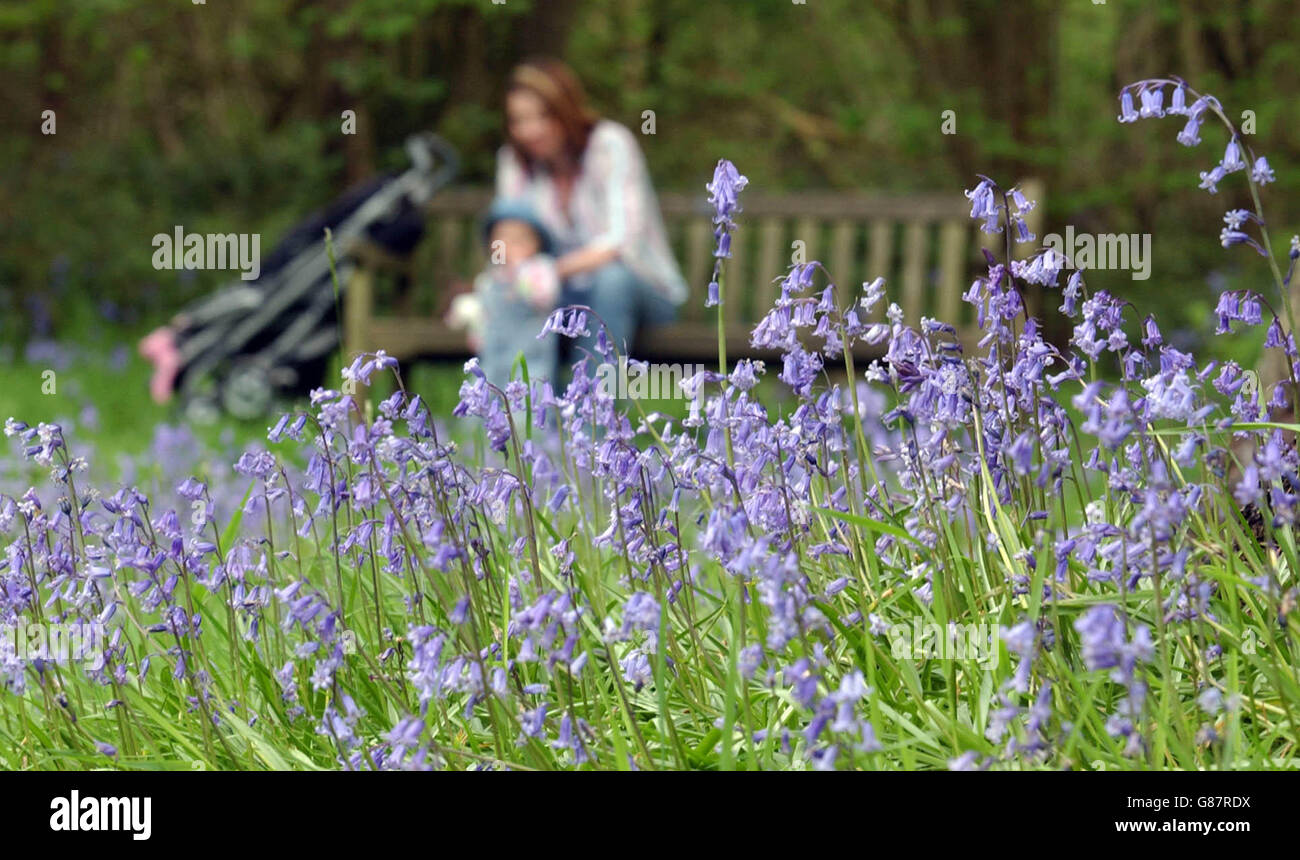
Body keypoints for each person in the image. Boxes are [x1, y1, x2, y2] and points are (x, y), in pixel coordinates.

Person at [495, 58, 687, 369]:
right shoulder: (514, 161)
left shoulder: (610, 144)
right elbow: (508, 237)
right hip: (560, 296)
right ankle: (523, 411)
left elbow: (621, 242)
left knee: (611, 281)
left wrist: (550, 271)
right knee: (515, 292)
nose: (530, 131)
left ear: (566, 110)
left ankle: (594, 411)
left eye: (543, 116)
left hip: (642, 290)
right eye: (519, 121)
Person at [446, 199, 560, 386]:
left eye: (518, 241)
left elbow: (544, 296)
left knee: (527, 402)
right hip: (493, 357)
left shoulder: (541, 269)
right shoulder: (491, 277)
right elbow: (484, 308)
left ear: (536, 244)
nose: (508, 247)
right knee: (486, 396)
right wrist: (476, 330)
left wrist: (518, 272)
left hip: (531, 359)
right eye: (501, 241)